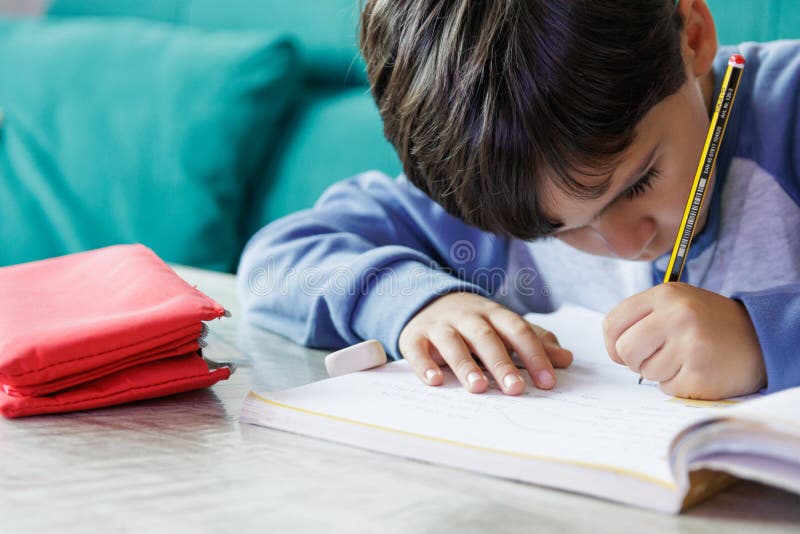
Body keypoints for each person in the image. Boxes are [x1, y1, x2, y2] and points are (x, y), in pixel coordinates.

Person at [237, 0, 800, 400]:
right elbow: (272, 267)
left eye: (637, 183)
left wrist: (762, 340)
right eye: (559, 228)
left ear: (693, 35)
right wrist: (415, 303)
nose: (627, 244)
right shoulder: (504, 189)